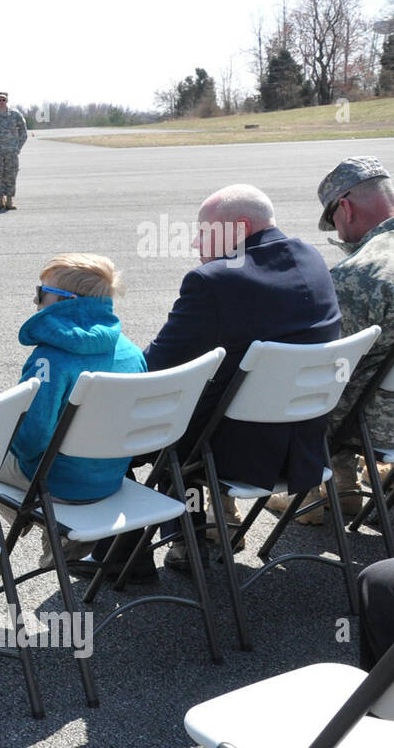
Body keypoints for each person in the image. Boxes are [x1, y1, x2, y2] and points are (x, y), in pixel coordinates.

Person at [101, 184, 342, 574]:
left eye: (204, 230)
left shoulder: (214, 282)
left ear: (240, 227)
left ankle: (128, 556)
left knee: (117, 421)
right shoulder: (311, 258)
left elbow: (154, 369)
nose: (197, 241)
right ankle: (185, 539)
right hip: (307, 448)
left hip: (236, 456)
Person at [0, 254, 146, 565]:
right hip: (110, 478)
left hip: (59, 483)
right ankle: (61, 534)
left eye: (41, 293)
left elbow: (31, 441)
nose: (35, 300)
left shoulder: (50, 358)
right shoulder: (131, 352)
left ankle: (42, 522)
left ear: (69, 301)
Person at [273, 157, 394, 523]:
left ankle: (311, 492)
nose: (340, 235)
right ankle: (346, 485)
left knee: (295, 381)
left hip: (374, 424)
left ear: (345, 206)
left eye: (336, 222)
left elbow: (322, 369)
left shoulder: (358, 275)